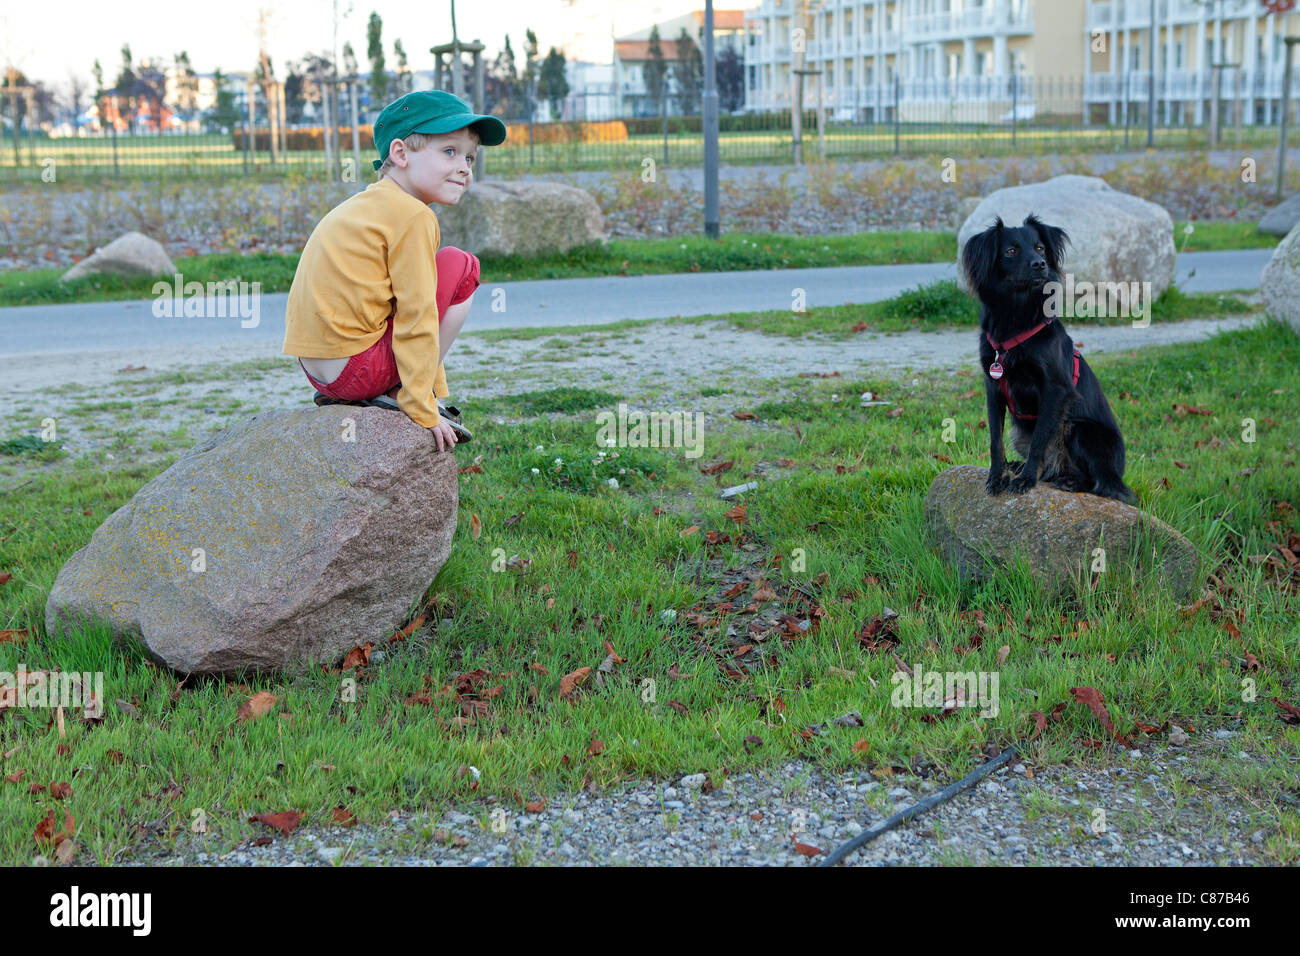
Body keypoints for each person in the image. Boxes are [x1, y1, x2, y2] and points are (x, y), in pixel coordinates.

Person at [283, 89, 507, 450]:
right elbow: (416, 314)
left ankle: (398, 386)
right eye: (449, 151)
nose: (465, 166)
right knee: (461, 265)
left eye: (470, 156)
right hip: (356, 370)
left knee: (439, 271)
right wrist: (423, 406)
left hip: (321, 375)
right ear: (401, 153)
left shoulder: (362, 206)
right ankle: (403, 391)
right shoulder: (413, 215)